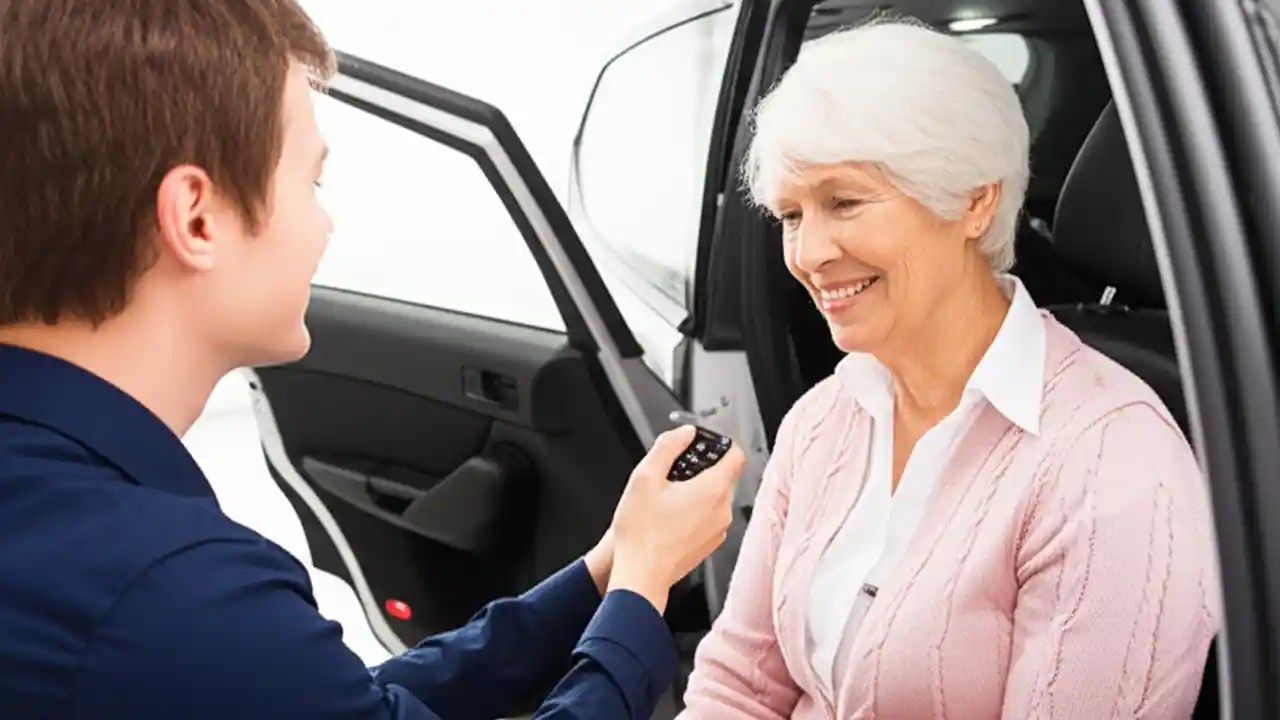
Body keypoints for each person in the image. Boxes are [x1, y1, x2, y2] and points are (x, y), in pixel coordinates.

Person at [0, 1, 746, 718]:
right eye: (310, 180)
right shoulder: (168, 591)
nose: (324, 225)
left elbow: (329, 701)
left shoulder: (65, 520)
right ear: (197, 217)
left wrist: (604, 573)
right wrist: (643, 591)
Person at [678, 20, 1220, 719]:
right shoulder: (823, 421)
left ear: (974, 199)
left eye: (844, 202)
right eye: (790, 214)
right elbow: (736, 688)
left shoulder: (1112, 464)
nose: (808, 253)